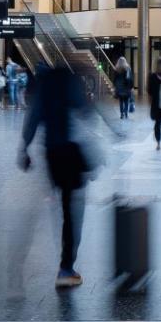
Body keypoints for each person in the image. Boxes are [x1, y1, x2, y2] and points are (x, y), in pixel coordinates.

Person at [18, 63, 96, 287]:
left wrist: (24, 148)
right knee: (73, 211)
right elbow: (86, 111)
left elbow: (33, 118)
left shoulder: (44, 85)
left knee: (61, 209)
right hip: (71, 153)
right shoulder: (70, 80)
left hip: (52, 154)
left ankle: (64, 262)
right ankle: (66, 267)